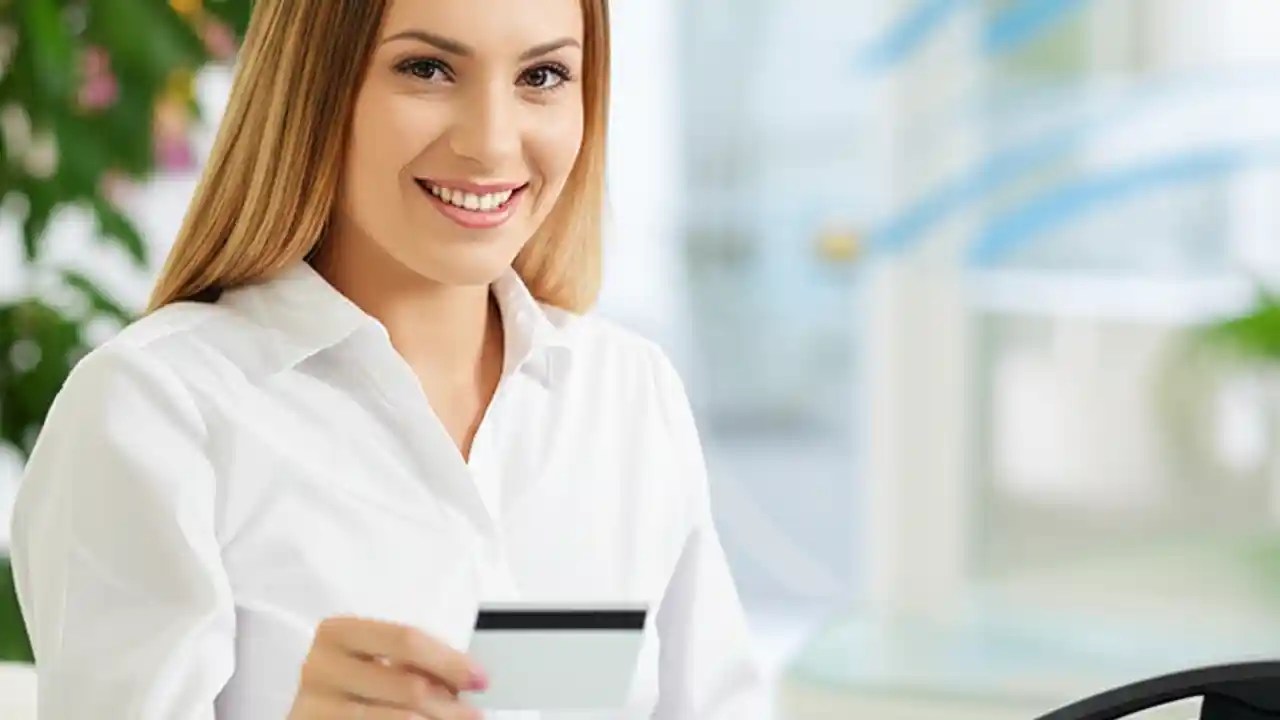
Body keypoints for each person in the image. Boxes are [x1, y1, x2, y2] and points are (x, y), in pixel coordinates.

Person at [8, 1, 766, 718]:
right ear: (315, 88)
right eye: (427, 69)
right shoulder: (156, 408)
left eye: (541, 76)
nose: (492, 142)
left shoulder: (628, 394)